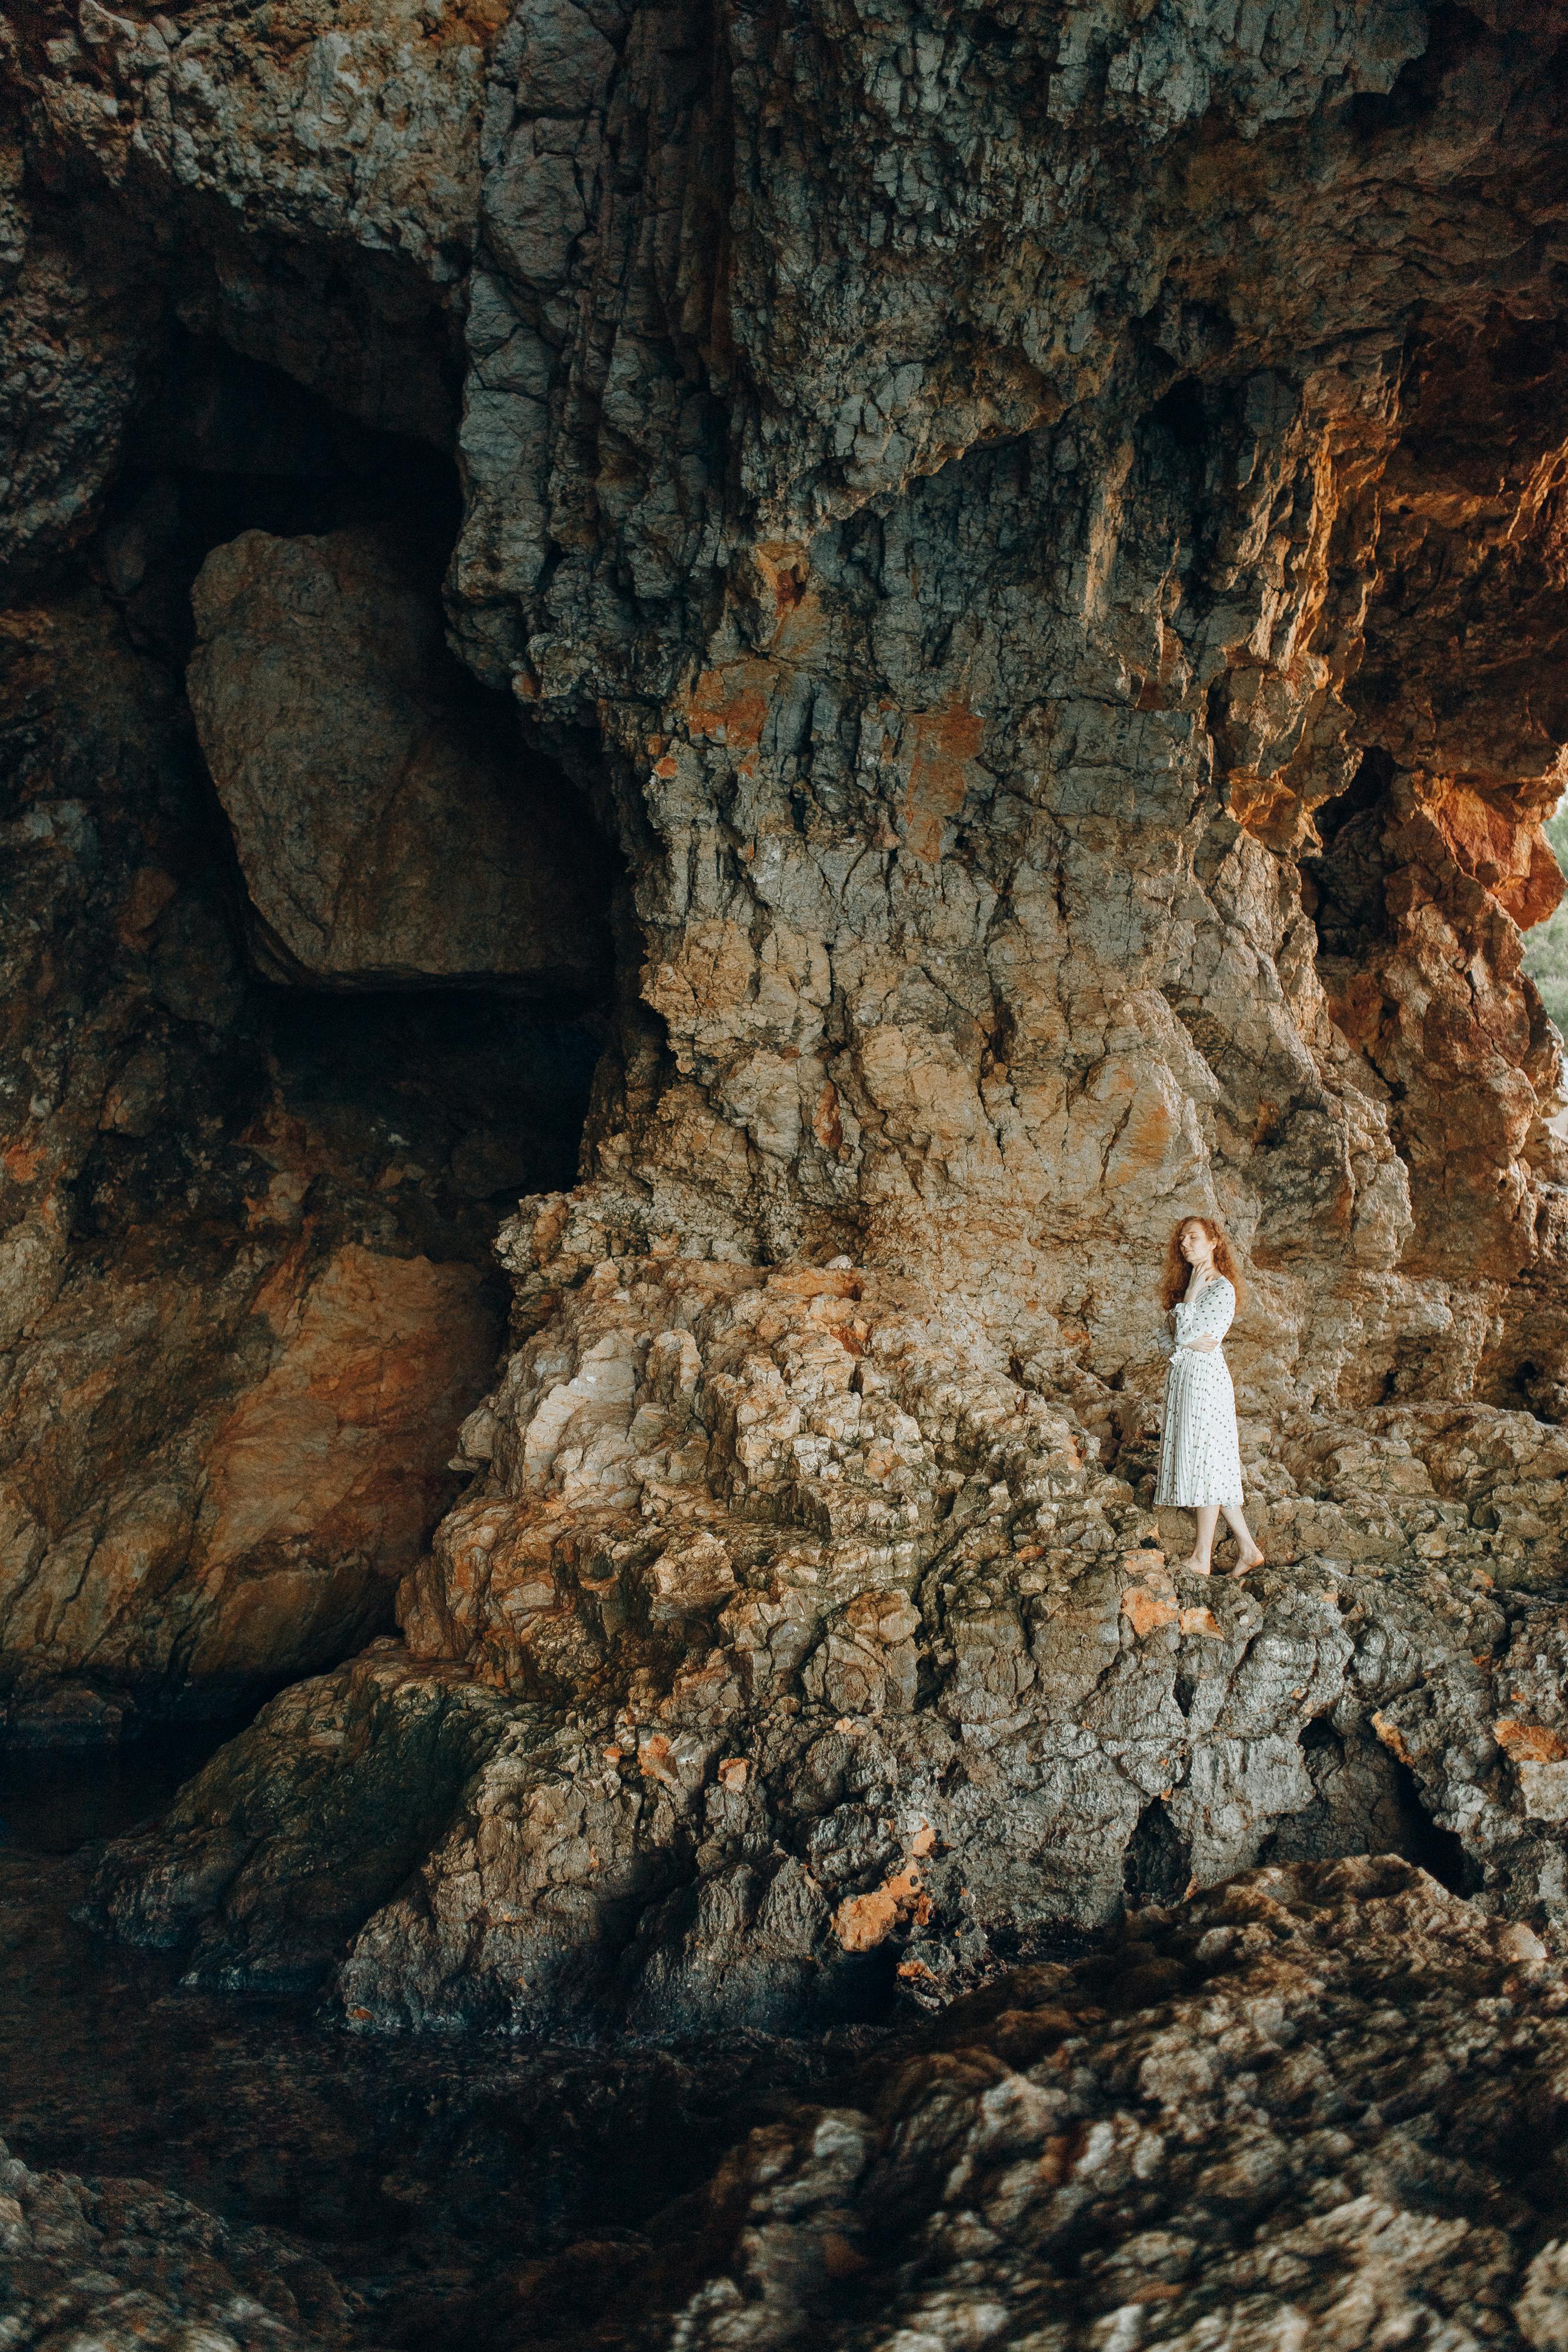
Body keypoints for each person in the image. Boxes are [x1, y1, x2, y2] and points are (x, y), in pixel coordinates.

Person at [1154, 1215, 1265, 1576]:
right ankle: (1247, 1549)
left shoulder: (1221, 1289)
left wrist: (1188, 1306)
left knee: (1207, 1462)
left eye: (1195, 1237)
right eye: (1182, 1238)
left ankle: (1202, 1557)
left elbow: (1189, 1336)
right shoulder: (1184, 1285)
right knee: (1212, 1464)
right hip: (1185, 1378)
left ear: (1214, 1242)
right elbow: (1165, 1339)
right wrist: (1184, 1331)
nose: (1185, 1243)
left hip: (1206, 1382)